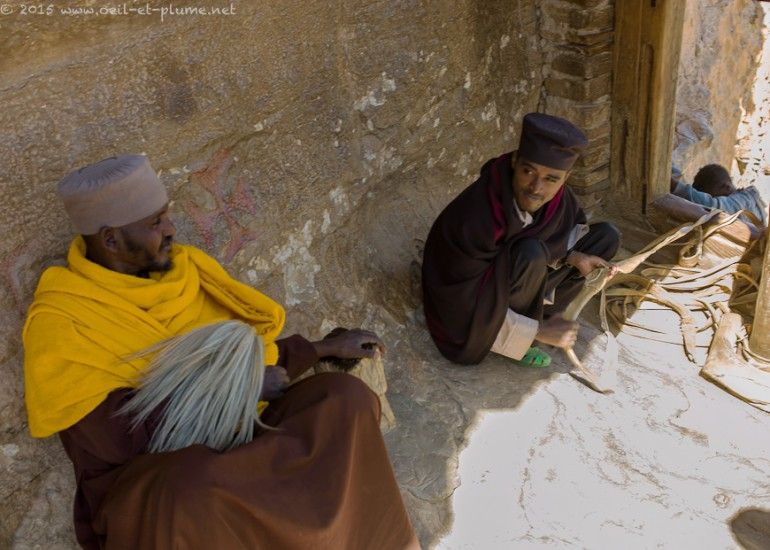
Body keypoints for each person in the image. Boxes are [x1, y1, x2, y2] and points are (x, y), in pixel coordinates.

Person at [23, 154, 418, 549]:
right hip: (156, 477)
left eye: (167, 216)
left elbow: (239, 358)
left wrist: (320, 348)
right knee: (192, 482)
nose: (171, 230)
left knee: (341, 399)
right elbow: (115, 439)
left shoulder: (184, 272)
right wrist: (236, 390)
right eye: (155, 223)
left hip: (235, 438)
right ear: (111, 240)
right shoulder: (63, 319)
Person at [421, 113, 620, 366]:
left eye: (551, 179)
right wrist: (535, 333)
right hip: (478, 299)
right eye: (528, 171)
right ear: (515, 161)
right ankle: (526, 334)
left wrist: (575, 256)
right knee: (531, 252)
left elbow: (557, 237)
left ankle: (541, 313)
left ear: (565, 178)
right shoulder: (476, 217)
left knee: (605, 237)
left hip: (518, 279)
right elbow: (459, 303)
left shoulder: (558, 200)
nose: (536, 188)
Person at [670, 163, 767, 227]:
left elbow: (711, 204)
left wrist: (675, 186)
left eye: (716, 197)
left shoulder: (744, 199)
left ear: (726, 187)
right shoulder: (741, 202)